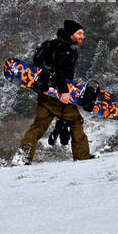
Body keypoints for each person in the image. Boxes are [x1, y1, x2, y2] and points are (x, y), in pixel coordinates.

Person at [16, 19, 96, 164]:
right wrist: (64, 92)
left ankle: (21, 159)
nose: (82, 36)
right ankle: (82, 155)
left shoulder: (54, 43)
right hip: (57, 94)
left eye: (82, 33)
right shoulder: (66, 48)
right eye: (79, 33)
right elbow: (60, 72)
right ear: (71, 34)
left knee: (38, 126)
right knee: (76, 120)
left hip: (45, 91)